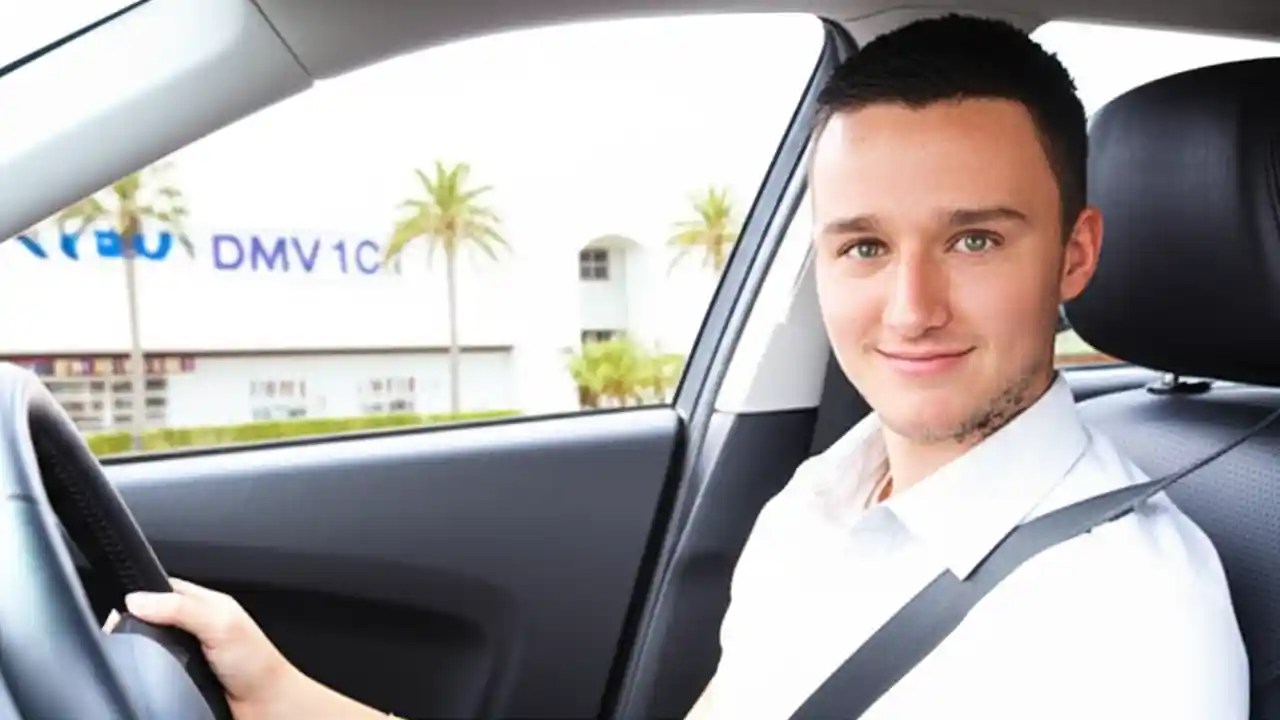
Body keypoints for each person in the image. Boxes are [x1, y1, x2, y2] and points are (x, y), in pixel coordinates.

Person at [119, 14, 1249, 720]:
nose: (909, 308)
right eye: (862, 246)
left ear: (1074, 254)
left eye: (973, 240)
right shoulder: (827, 492)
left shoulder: (1131, 618)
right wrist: (287, 697)